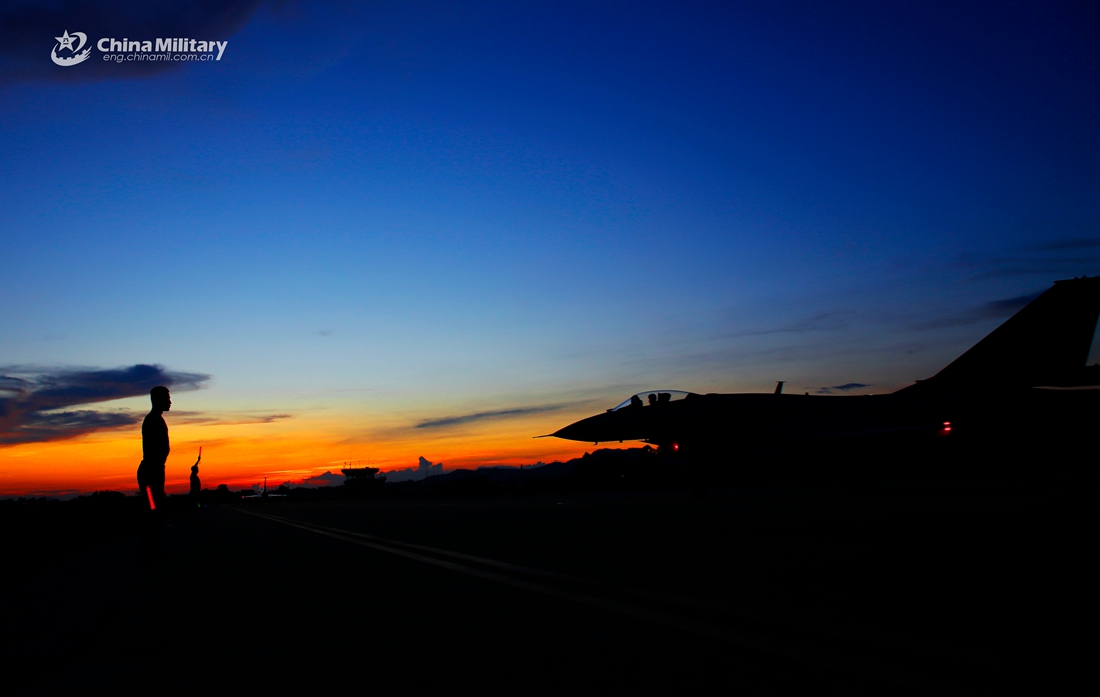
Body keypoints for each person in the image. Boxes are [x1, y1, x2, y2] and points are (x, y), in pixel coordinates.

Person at [137, 386, 171, 554]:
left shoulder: (157, 419)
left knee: (156, 509)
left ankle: (150, 547)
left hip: (155, 472)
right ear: (157, 399)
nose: (170, 401)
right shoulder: (152, 420)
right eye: (167, 398)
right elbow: (153, 451)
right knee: (152, 508)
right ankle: (147, 549)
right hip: (150, 474)